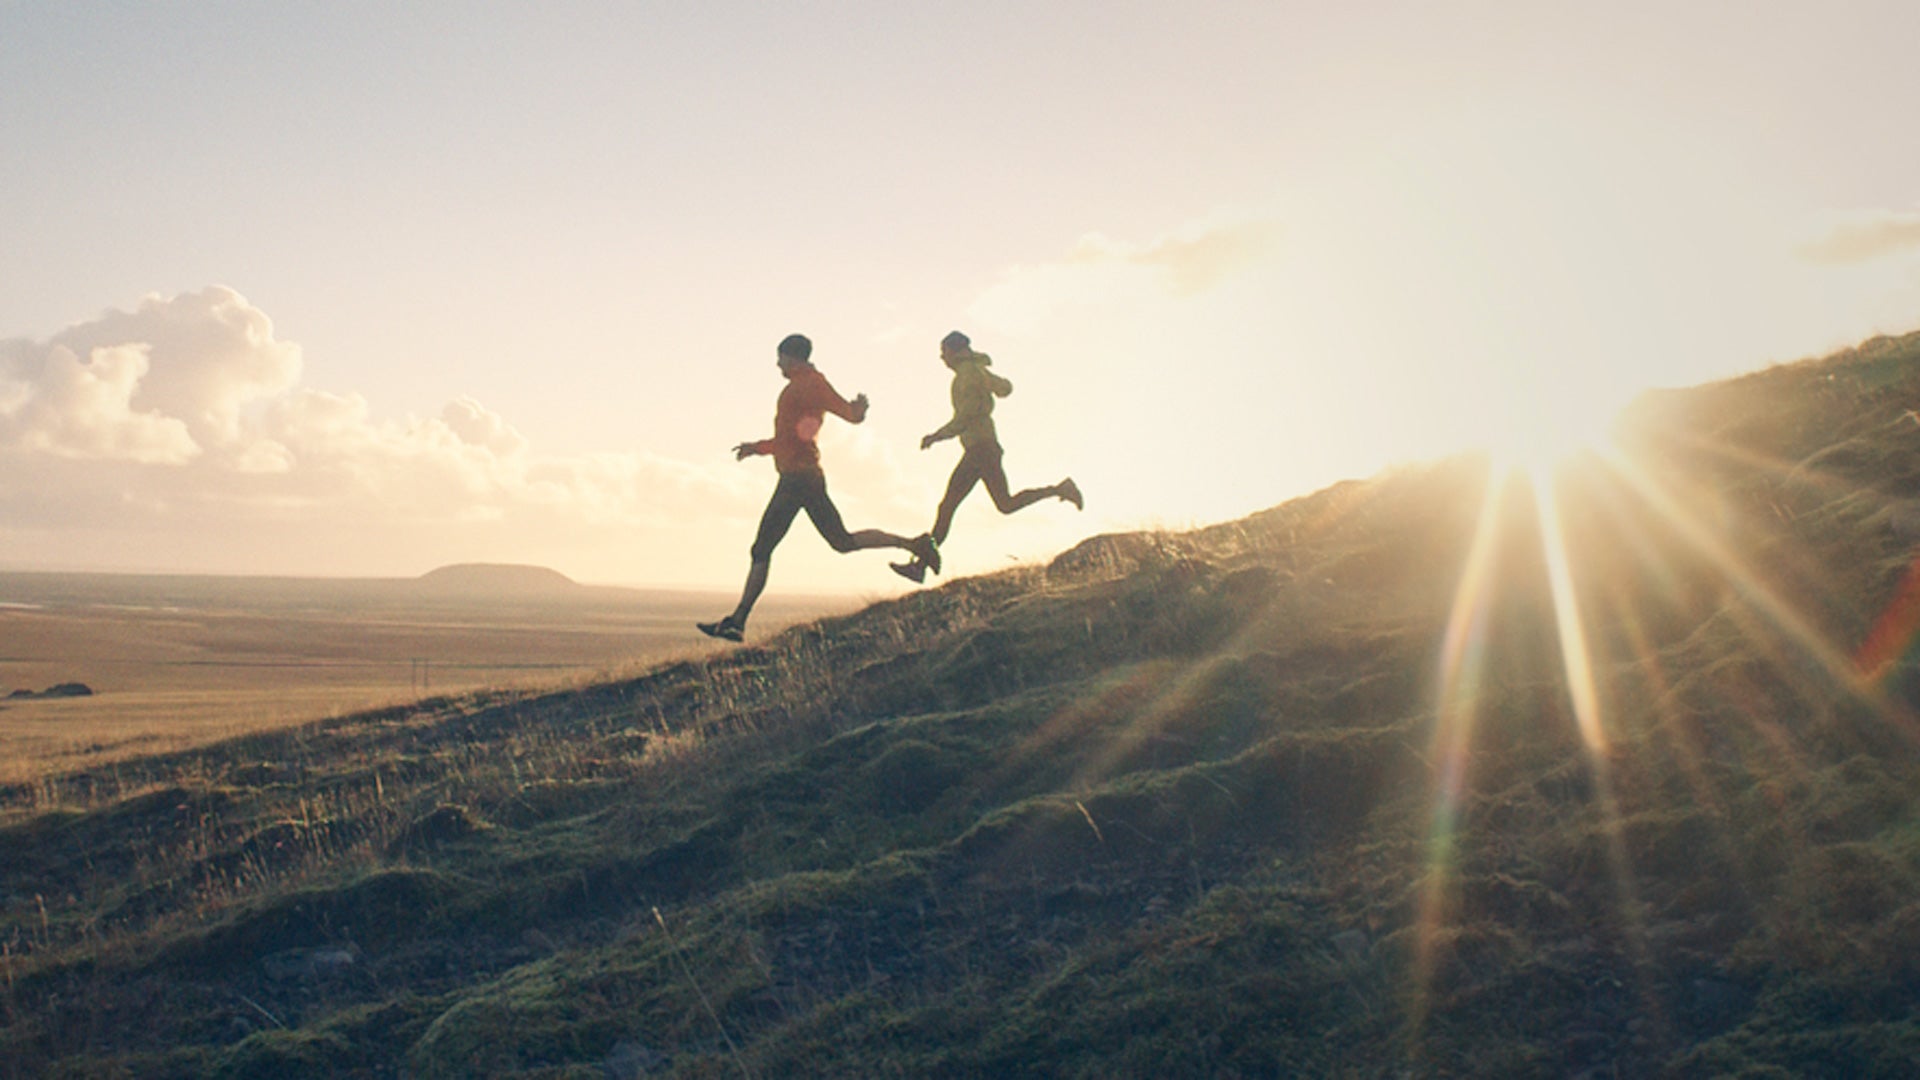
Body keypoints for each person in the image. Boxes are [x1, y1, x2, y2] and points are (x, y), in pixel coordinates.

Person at [698, 333, 939, 642]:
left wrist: (757, 448)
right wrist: (858, 410)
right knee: (841, 541)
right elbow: (845, 416)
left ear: (793, 357)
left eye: (781, 358)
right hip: (804, 476)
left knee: (762, 548)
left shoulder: (806, 385)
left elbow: (800, 434)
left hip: (797, 478)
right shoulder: (809, 384)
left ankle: (737, 621)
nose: (777, 364)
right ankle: (915, 544)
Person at [891, 330, 1081, 583]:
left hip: (980, 450)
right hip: (984, 447)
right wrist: (988, 385)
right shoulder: (975, 370)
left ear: (954, 351)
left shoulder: (967, 375)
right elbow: (1006, 388)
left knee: (950, 506)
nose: (941, 357)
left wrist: (936, 436)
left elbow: (965, 417)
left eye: (943, 351)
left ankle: (922, 565)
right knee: (1003, 504)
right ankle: (1060, 489)